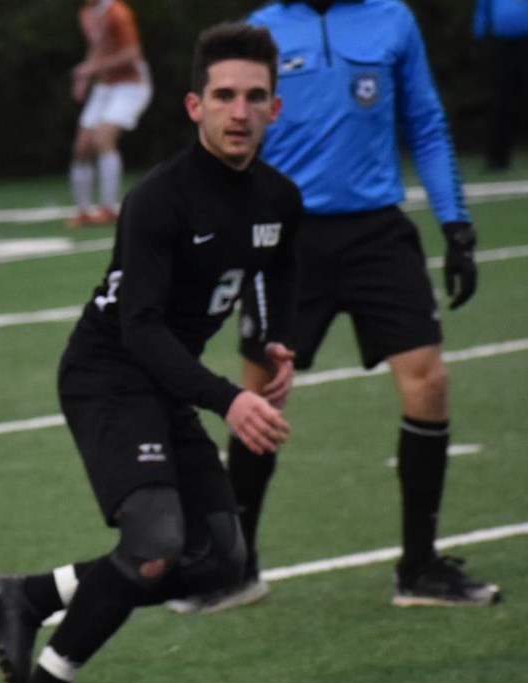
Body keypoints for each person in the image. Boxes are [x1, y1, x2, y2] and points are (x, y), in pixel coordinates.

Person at [0, 23, 302, 683]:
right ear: (194, 106)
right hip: (108, 372)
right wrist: (228, 400)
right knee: (157, 541)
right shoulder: (160, 199)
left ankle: (32, 595)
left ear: (274, 109)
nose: (239, 111)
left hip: (166, 377)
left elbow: (278, 265)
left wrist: (278, 338)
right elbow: (138, 327)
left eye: (254, 97)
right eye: (223, 96)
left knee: (222, 558)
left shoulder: (278, 198)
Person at [173, 0, 500, 612]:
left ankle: (421, 567)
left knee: (428, 384)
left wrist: (455, 224)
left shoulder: (393, 19)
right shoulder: (260, 29)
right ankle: (236, 568)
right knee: (262, 393)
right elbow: (225, 133)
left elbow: (425, 123)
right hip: (285, 238)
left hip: (379, 234)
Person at [68, 0, 153, 227]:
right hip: (106, 85)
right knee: (82, 146)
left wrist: (91, 68)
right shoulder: (86, 13)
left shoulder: (117, 12)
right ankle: (83, 210)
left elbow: (132, 53)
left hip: (131, 84)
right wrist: (85, 77)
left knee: (103, 138)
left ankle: (109, 207)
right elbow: (96, 48)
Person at [474, 0, 528, 171]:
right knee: (500, 102)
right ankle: (497, 159)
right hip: (502, 45)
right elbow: (482, 10)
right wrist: (479, 36)